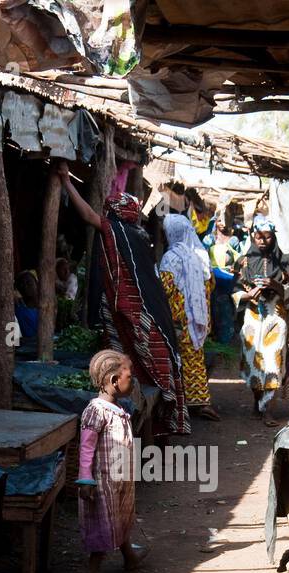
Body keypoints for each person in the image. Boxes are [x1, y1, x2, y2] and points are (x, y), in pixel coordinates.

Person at [56, 160, 189, 436]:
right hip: (149, 314)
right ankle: (154, 421)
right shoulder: (138, 234)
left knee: (126, 361)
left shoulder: (120, 234)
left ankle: (134, 421)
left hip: (129, 313)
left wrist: (67, 182)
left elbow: (89, 216)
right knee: (139, 364)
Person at [76, 349, 147, 573]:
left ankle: (130, 557)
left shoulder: (117, 408)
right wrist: (85, 478)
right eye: (131, 376)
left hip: (121, 477)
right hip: (103, 481)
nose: (133, 380)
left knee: (123, 515)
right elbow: (86, 448)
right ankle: (92, 570)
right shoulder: (96, 411)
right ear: (114, 381)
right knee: (104, 521)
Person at [234, 214, 289, 422]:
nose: (263, 241)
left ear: (274, 237)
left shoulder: (286, 261)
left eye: (268, 237)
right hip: (252, 319)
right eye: (259, 237)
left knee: (272, 360)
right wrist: (247, 295)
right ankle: (256, 402)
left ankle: (267, 408)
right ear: (252, 236)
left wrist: (274, 285)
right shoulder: (242, 262)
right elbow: (234, 292)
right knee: (254, 360)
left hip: (275, 318)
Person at [159, 213, 220, 421]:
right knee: (195, 357)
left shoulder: (171, 257)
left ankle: (183, 403)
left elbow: (165, 288)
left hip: (179, 317)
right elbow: (209, 286)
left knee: (178, 359)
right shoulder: (199, 255)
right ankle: (198, 400)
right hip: (198, 316)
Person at [14, 270, 40, 340]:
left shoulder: (46, 307)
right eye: (22, 284)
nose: (25, 286)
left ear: (37, 284)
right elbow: (12, 342)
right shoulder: (18, 313)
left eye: (29, 282)